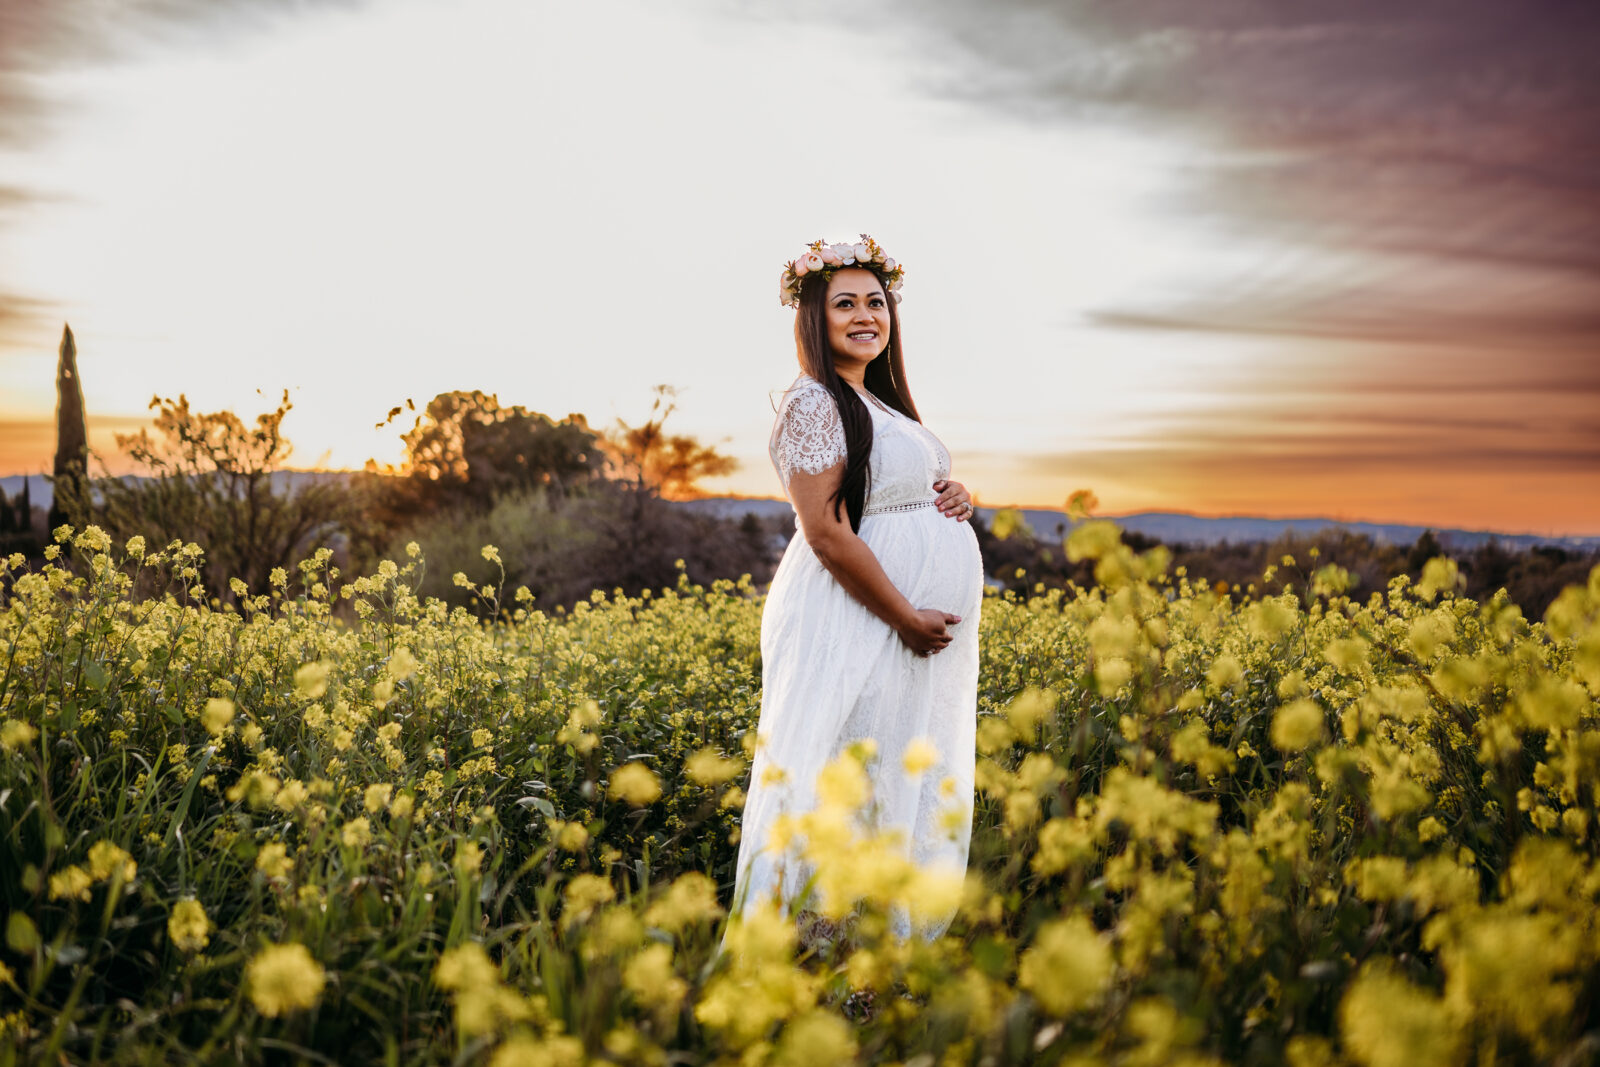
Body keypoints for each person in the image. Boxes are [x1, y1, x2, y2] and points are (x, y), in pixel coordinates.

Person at [731, 235, 983, 941]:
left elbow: (889, 495)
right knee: (847, 767)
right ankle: (826, 951)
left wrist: (951, 493)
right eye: (845, 303)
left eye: (877, 302)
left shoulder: (880, 402)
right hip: (859, 619)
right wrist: (904, 614)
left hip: (899, 627)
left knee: (893, 764)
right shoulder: (814, 402)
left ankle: (882, 953)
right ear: (815, 316)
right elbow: (827, 531)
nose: (865, 314)